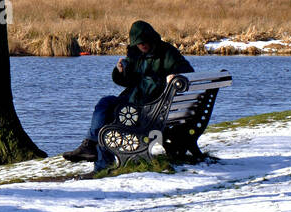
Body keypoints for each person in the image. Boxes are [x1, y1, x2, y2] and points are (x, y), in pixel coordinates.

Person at [62, 20, 193, 171]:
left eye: (145, 41)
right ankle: (90, 146)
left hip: (150, 108)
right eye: (139, 43)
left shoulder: (167, 52)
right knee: (105, 103)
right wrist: (120, 71)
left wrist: (175, 76)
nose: (142, 45)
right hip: (137, 102)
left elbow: (187, 71)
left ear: (152, 38)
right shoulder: (135, 54)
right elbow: (129, 81)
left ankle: (101, 165)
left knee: (109, 118)